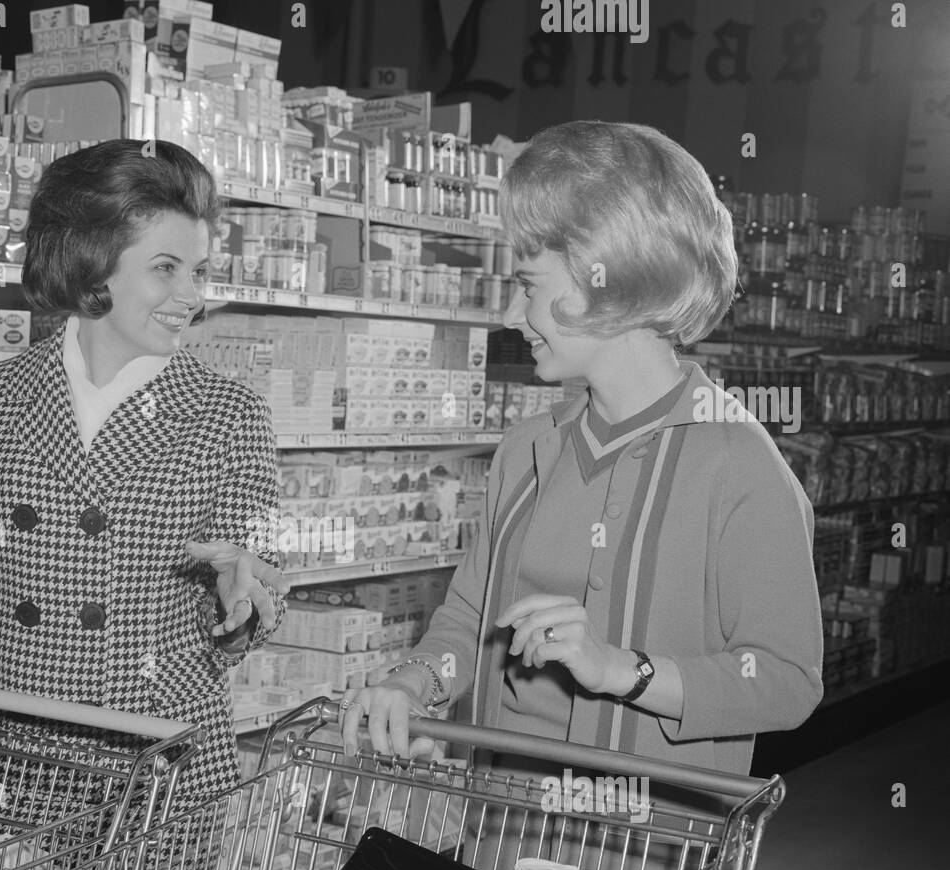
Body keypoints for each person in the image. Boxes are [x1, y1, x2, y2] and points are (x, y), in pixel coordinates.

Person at [340, 120, 824, 801]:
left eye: (530, 284)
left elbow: (785, 680)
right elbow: (468, 620)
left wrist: (623, 670)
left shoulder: (738, 465)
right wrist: (414, 682)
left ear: (612, 281)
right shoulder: (525, 450)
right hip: (502, 837)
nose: (512, 312)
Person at [0, 139, 287, 822]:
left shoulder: (230, 415)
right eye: (165, 269)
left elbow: (241, 596)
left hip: (159, 770)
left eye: (197, 270)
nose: (192, 297)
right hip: (12, 755)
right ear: (89, 261)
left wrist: (239, 608)